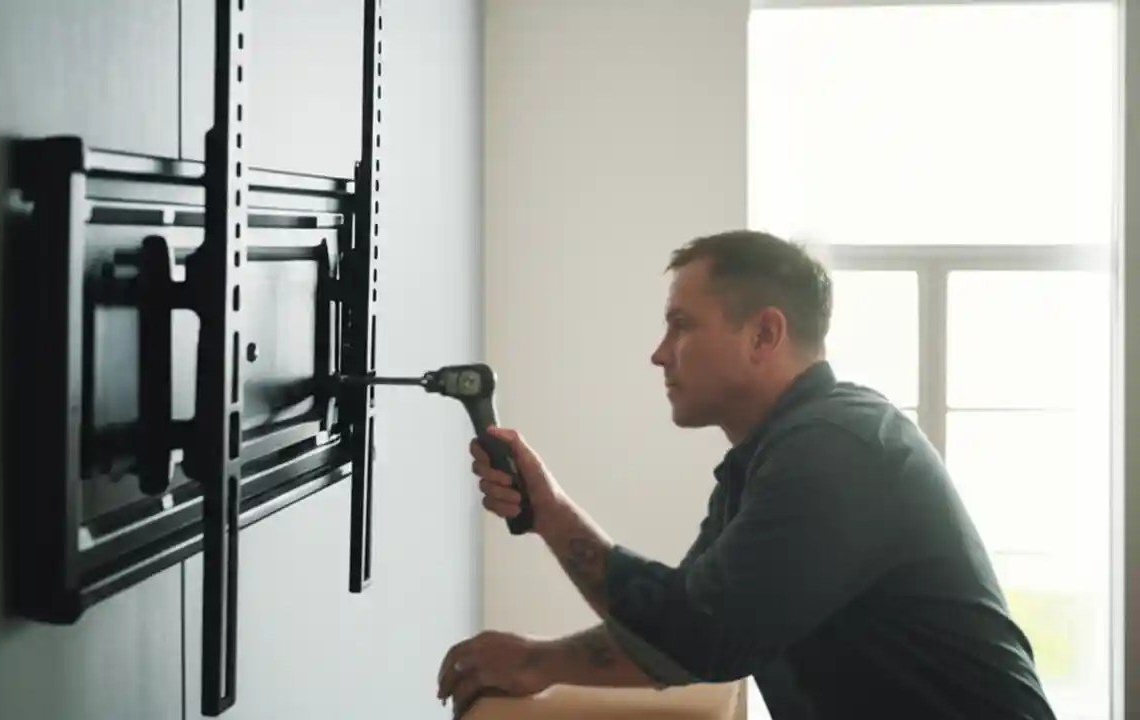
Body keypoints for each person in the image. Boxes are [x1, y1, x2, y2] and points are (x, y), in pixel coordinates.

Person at [435, 230, 1056, 719]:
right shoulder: (769, 458)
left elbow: (697, 637)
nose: (659, 353)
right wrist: (539, 662)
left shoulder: (836, 449)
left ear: (764, 334)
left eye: (682, 324)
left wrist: (550, 513)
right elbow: (675, 635)